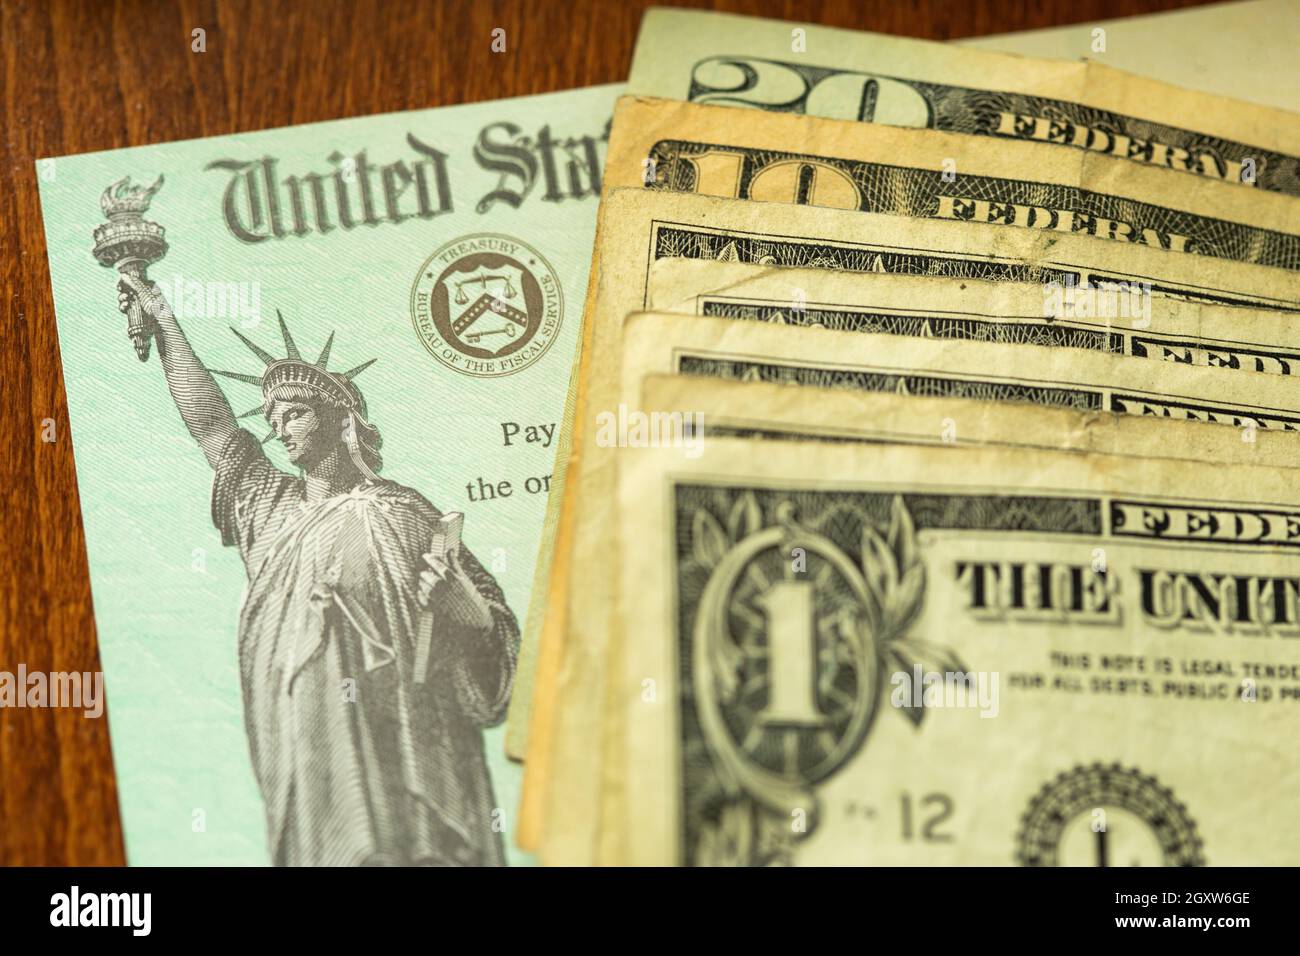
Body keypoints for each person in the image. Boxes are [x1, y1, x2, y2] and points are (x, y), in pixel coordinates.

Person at [117, 274, 518, 866]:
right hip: (309, 740)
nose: (278, 429)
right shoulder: (268, 506)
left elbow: (493, 634)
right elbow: (213, 427)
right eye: (273, 417)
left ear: (339, 420)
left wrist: (472, 615)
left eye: (295, 413)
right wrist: (167, 323)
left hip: (405, 744)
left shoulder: (405, 512)